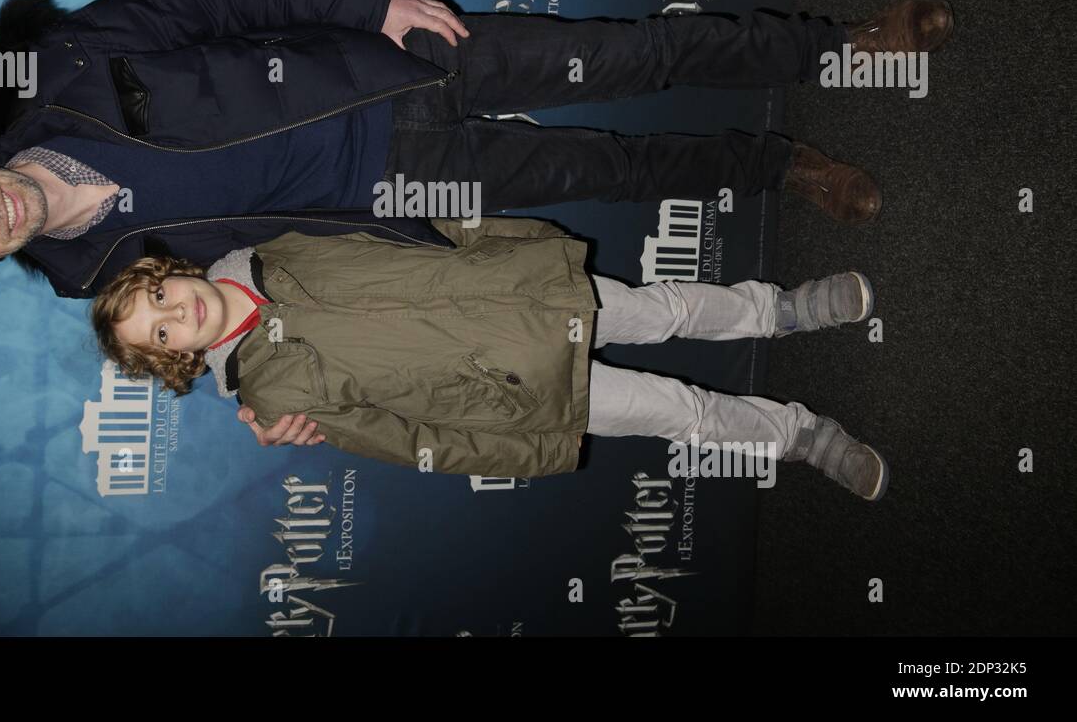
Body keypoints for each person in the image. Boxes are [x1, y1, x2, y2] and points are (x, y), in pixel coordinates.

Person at [0, 0, 951, 447]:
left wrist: (370, 1)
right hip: (394, 195)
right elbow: (226, 312)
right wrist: (270, 407)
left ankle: (844, 47)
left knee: (631, 55)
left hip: (394, 65)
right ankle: (783, 165)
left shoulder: (70, 68)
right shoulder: (85, 278)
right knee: (610, 170)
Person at [89, 215, 890, 501]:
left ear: (173, 274)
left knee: (665, 307)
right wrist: (530, 446)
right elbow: (405, 439)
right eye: (159, 336)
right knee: (682, 411)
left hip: (524, 294)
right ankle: (799, 435)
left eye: (158, 298)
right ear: (177, 362)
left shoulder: (276, 239)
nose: (173, 317)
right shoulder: (270, 396)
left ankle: (778, 309)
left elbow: (402, 226)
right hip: (519, 388)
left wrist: (499, 236)